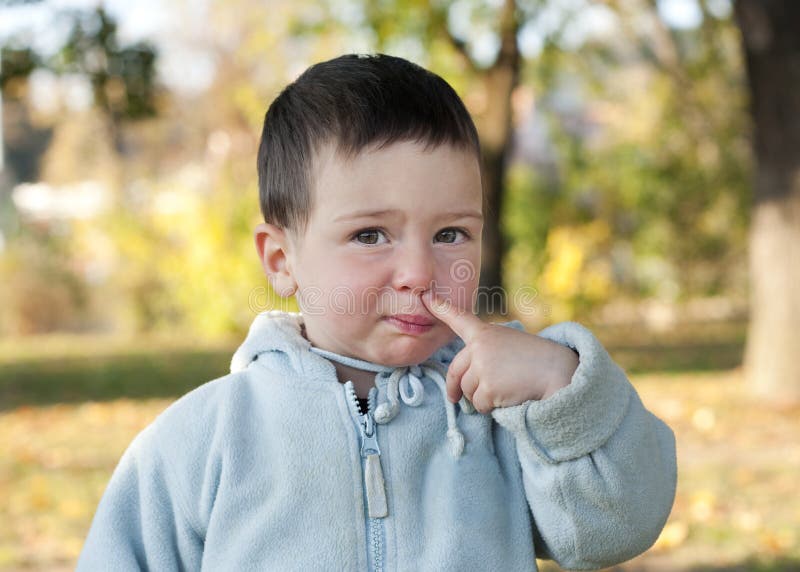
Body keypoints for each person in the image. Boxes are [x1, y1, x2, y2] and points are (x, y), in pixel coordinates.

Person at [77, 53, 677, 571]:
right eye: (370, 236)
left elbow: (616, 528)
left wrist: (560, 386)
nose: (419, 272)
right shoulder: (208, 436)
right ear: (282, 260)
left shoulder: (505, 411)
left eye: (450, 234)